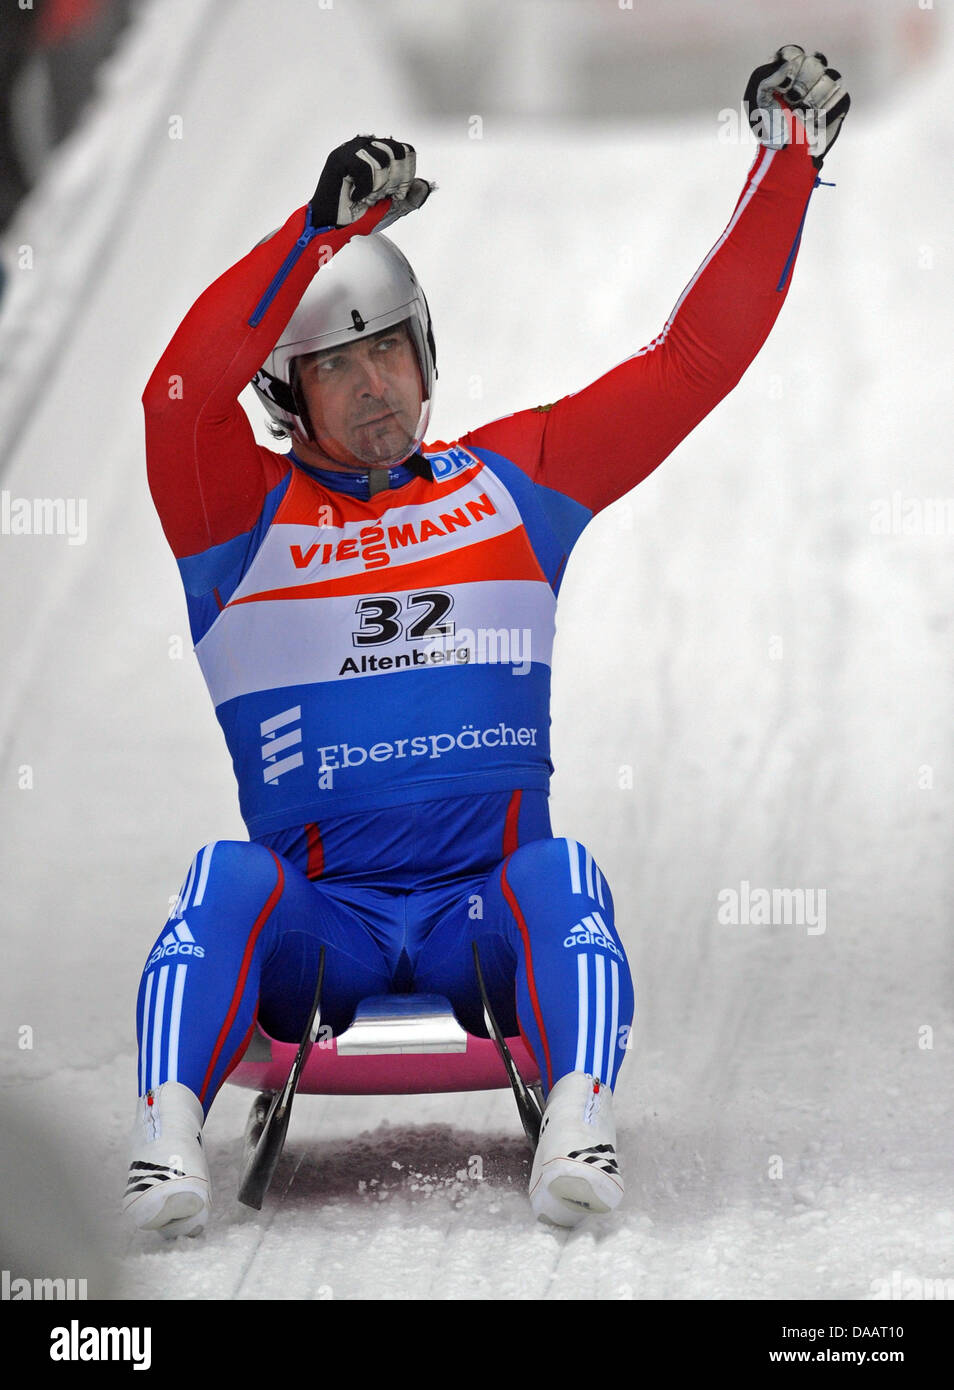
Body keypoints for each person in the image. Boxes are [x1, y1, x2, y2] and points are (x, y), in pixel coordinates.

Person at [125, 47, 849, 1237]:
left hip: (484, 913)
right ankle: (163, 1139)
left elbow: (693, 364)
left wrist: (785, 162)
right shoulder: (232, 519)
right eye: (336, 367)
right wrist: (311, 237)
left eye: (390, 351)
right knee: (221, 878)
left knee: (565, 876)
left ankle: (578, 1115)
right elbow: (170, 401)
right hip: (324, 919)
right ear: (285, 398)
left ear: (427, 349)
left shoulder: (517, 482)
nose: (374, 389)